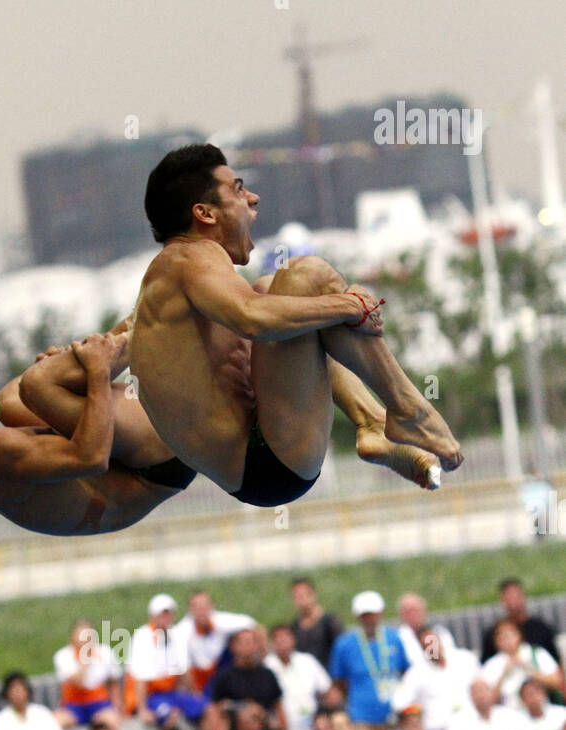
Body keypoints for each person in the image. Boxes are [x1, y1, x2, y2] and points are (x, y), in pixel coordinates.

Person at [130, 144, 461, 513]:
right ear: (204, 213)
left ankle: (371, 422)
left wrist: (337, 308)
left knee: (270, 289)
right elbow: (252, 319)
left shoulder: (167, 281)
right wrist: (348, 305)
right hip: (265, 459)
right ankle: (408, 410)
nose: (253, 198)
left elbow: (258, 313)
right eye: (238, 190)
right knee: (307, 275)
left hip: (258, 466)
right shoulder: (190, 257)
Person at [0, 333, 198, 537]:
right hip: (155, 468)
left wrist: (64, 373)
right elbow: (92, 458)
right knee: (37, 385)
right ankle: (152, 324)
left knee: (13, 398)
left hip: (122, 462)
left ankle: (129, 332)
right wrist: (95, 372)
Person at [329, 592, 409, 730]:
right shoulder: (344, 644)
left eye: (373, 614)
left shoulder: (394, 638)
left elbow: (406, 673)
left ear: (380, 614)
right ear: (358, 616)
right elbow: (339, 681)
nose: (370, 619)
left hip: (394, 715)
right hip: (361, 718)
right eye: (365, 615)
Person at [128, 594, 205, 726]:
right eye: (161, 614)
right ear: (153, 616)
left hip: (172, 693)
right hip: (152, 696)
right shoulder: (142, 637)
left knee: (206, 709)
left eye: (168, 614)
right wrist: (142, 709)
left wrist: (195, 696)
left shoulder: (176, 635)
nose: (165, 618)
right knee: (169, 715)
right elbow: (140, 677)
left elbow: (184, 670)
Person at [389, 626, 479, 730]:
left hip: (472, 724)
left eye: (433, 642)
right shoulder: (416, 674)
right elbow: (398, 704)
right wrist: (416, 714)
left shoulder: (465, 659)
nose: (432, 648)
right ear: (422, 649)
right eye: (426, 646)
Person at [265, 623, 330, 730]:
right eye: (278, 638)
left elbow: (327, 691)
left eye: (286, 637)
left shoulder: (307, 661)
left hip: (311, 724)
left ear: (293, 640)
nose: (283, 642)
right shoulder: (266, 667)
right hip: (282, 728)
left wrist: (323, 715)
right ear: (272, 643)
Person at [173, 591, 255, 693]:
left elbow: (251, 623)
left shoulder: (220, 621)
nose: (202, 612)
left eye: (204, 607)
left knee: (243, 638)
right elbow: (184, 668)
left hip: (219, 670)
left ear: (211, 607)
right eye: (197, 608)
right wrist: (198, 697)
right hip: (198, 676)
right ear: (190, 610)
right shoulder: (182, 632)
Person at [482, 618, 564, 709]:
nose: (506, 640)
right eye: (501, 637)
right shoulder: (491, 664)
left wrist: (529, 668)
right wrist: (503, 674)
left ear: (519, 635)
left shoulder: (536, 653)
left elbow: (557, 682)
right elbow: (488, 700)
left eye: (509, 635)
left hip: (542, 710)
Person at [53, 619, 121, 727]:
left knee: (111, 720)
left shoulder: (105, 652)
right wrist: (85, 659)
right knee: (56, 722)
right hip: (73, 704)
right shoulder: (63, 656)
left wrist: (117, 707)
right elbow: (77, 681)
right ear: (73, 637)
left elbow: (113, 682)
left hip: (99, 702)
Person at [209, 626, 283, 719]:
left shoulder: (268, 675)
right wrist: (243, 708)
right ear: (233, 646)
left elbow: (278, 706)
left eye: (252, 642)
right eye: (244, 642)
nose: (249, 646)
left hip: (264, 727)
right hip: (234, 729)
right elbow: (216, 707)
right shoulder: (224, 676)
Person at [481, 578, 560, 665]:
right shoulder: (493, 633)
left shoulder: (541, 630)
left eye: (515, 596)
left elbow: (556, 663)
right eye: (508, 597)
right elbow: (484, 668)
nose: (512, 601)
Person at [289, 577, 344, 669]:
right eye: (297, 596)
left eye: (304, 595)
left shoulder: (330, 622)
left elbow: (341, 650)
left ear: (313, 594)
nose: (302, 600)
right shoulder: (294, 627)